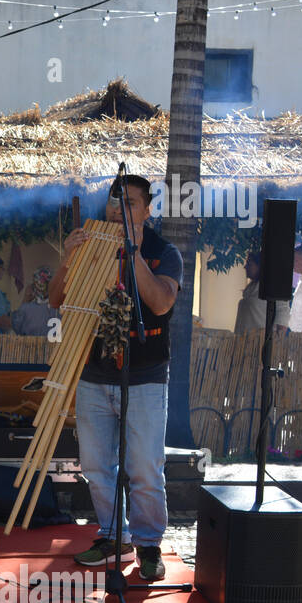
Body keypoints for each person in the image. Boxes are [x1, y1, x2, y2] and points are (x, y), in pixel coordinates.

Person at [50, 175, 183, 581]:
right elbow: (57, 299)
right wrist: (68, 260)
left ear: (147, 210)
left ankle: (147, 545)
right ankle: (111, 534)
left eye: (128, 203)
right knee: (95, 464)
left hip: (144, 376)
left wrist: (136, 255)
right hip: (94, 373)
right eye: (113, 201)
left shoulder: (164, 252)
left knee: (144, 466)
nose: (117, 209)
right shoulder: (89, 242)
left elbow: (160, 303)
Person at [233, 250, 290, 334]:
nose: (245, 267)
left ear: (260, 266)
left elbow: (282, 312)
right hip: (244, 341)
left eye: (249, 264)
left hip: (260, 342)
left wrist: (276, 340)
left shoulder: (274, 286)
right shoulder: (251, 287)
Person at [11, 265, 59, 337]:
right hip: (59, 347)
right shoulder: (62, 308)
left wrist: (25, 298)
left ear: (34, 286)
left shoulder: (26, 309)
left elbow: (16, 327)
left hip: (31, 346)